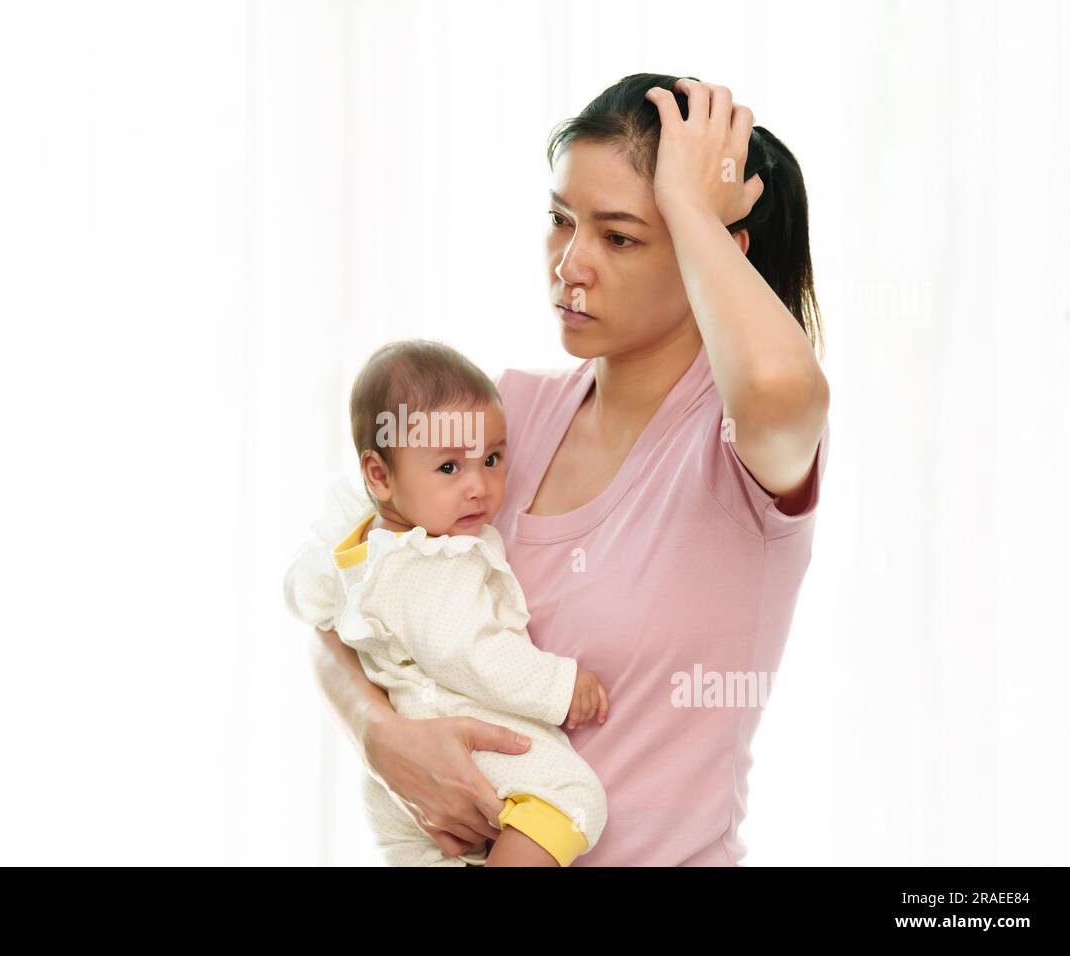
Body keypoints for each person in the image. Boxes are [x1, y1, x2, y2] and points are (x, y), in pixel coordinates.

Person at [295, 73, 830, 866]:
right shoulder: (498, 422)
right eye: (560, 220)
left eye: (619, 236)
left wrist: (690, 206)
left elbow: (788, 384)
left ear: (718, 249)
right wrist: (381, 735)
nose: (570, 264)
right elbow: (339, 592)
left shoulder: (743, 450)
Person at [285, 339, 609, 867]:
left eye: (493, 459)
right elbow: (470, 652)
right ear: (379, 476)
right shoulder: (432, 562)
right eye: (449, 469)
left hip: (396, 786)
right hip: (464, 743)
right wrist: (560, 685)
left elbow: (307, 597)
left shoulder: (357, 540)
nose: (480, 486)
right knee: (573, 798)